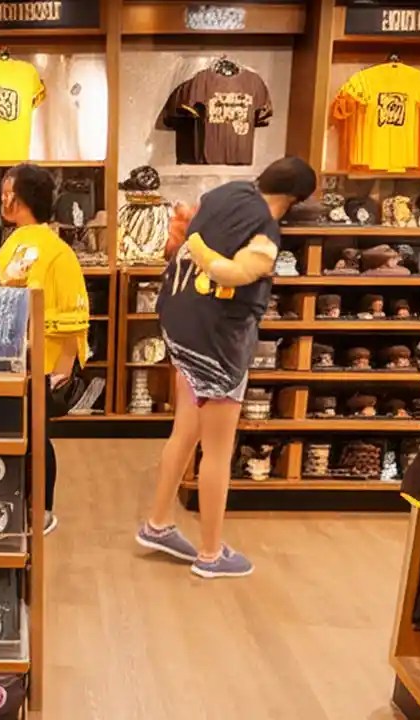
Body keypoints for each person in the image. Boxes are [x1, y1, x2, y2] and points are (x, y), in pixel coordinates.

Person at [135, 156, 317, 578]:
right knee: (217, 450)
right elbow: (237, 274)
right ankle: (211, 554)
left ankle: (158, 523)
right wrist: (203, 253)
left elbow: (188, 231)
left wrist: (194, 246)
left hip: (180, 325)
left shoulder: (224, 192)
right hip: (218, 343)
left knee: (185, 430)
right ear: (294, 199)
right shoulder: (266, 231)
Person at [0, 163, 90, 535]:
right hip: (14, 357)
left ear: (17, 198)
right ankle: (20, 502)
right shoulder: (13, 243)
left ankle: (44, 509)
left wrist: (63, 370)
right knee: (21, 434)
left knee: (36, 436)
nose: (3, 197)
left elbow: (76, 314)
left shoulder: (57, 252)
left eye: (7, 191)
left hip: (45, 364)